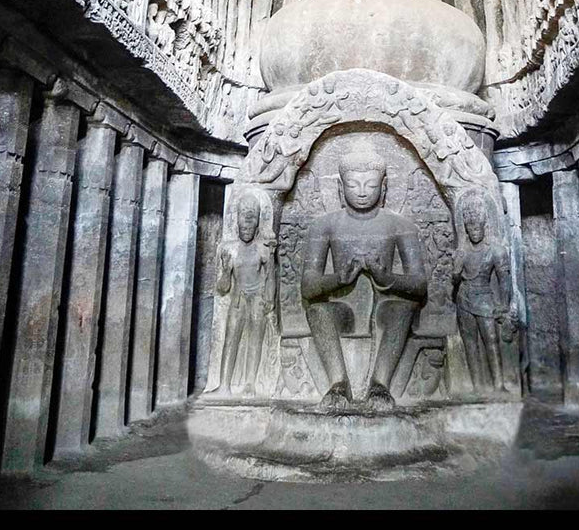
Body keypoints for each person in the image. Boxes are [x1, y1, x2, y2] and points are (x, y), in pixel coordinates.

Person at [301, 147, 427, 411]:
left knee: (403, 308)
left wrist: (387, 278)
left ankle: (379, 384)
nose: (361, 191)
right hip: (343, 306)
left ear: (384, 186)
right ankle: (338, 384)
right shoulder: (324, 226)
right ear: (340, 187)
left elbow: (419, 285)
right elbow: (308, 287)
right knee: (317, 310)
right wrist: (339, 278)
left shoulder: (400, 226)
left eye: (370, 185)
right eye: (353, 184)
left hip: (385, 305)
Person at [452, 189, 517, 394]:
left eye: (477, 227)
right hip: (464, 299)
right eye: (470, 228)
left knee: (491, 340)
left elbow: (504, 280)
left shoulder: (496, 250)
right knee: (470, 343)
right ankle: (477, 385)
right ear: (465, 229)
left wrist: (503, 304)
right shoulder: (462, 252)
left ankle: (499, 384)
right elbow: (454, 280)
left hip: (485, 298)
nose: (474, 231)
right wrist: (456, 271)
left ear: (484, 226)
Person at [216, 192, 276, 396]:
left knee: (255, 340)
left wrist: (270, 298)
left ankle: (250, 382)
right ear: (237, 219)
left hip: (258, 297)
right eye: (244, 214)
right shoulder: (229, 250)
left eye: (253, 215)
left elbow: (270, 276)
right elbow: (223, 288)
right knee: (230, 339)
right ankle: (224, 385)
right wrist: (226, 270)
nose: (248, 220)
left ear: (258, 221)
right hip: (238, 298)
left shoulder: (263, 249)